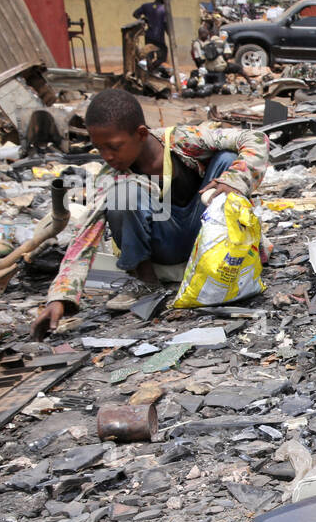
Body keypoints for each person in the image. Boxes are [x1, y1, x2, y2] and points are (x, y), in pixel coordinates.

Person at [31, 89, 270, 339]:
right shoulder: (111, 176)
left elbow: (255, 138)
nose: (107, 157)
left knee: (227, 159)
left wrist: (235, 179)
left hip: (206, 234)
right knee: (122, 192)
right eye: (99, 149)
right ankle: (146, 284)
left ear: (141, 133)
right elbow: (84, 238)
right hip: (164, 247)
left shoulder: (183, 141)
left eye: (114, 147)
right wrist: (59, 298)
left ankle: (239, 258)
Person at [132, 0, 169, 71]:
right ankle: (152, 69)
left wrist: (143, 19)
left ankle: (149, 69)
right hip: (159, 37)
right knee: (163, 56)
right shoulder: (164, 9)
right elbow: (165, 23)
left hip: (148, 35)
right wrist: (170, 34)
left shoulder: (146, 6)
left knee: (149, 55)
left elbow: (135, 14)